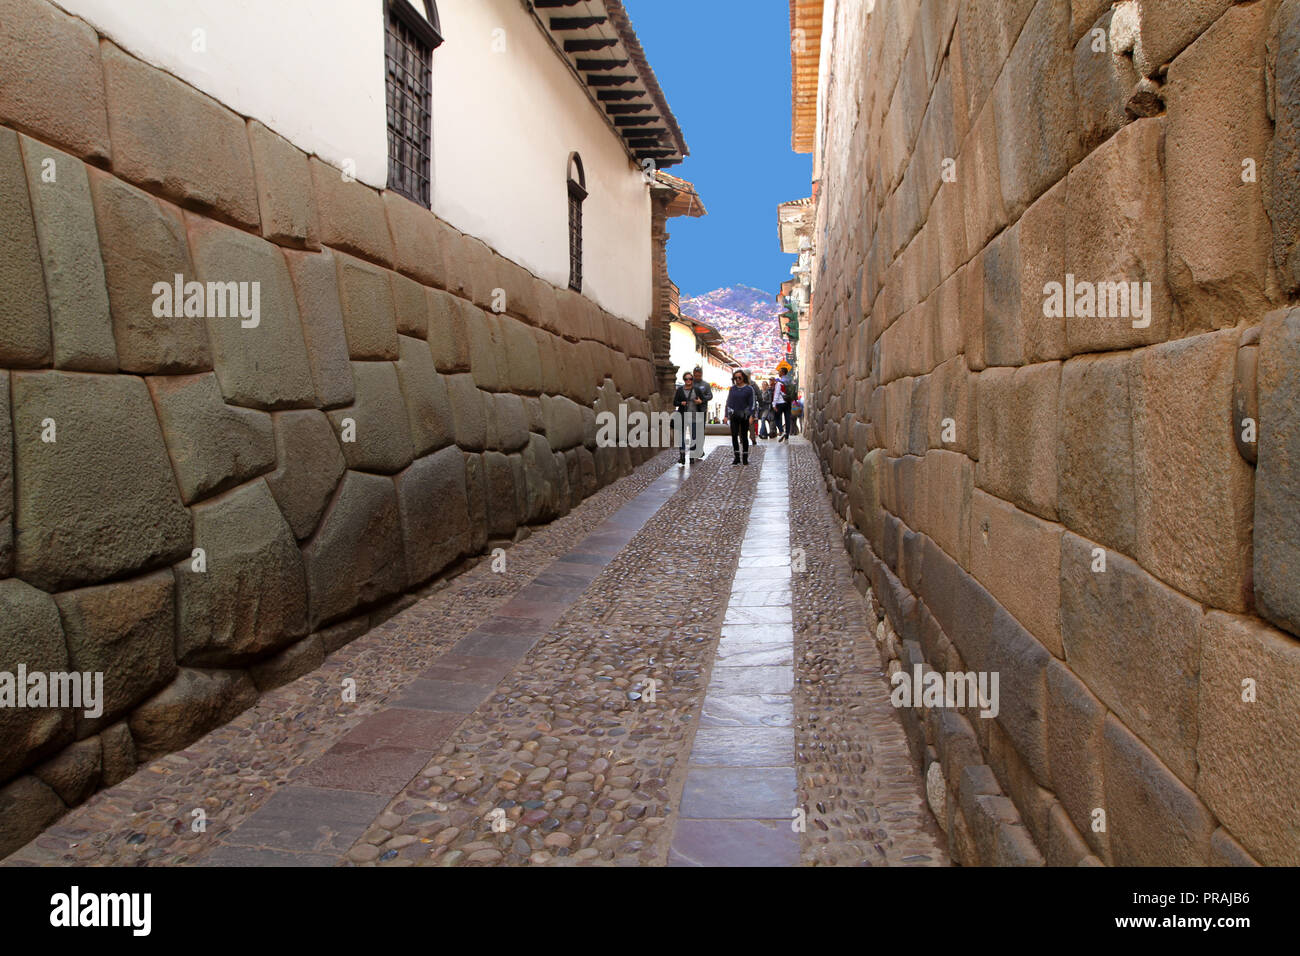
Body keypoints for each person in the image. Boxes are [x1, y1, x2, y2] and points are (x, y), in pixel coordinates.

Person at [725, 369, 756, 465]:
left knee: (744, 436)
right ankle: (737, 457)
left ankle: (745, 457)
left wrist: (752, 415)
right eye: (735, 378)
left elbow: (752, 403)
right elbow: (728, 402)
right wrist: (726, 415)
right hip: (734, 415)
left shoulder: (749, 389)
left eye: (739, 377)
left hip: (744, 415)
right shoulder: (732, 389)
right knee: (734, 435)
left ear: (743, 378)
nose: (737, 379)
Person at [673, 371, 705, 465]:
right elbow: (674, 402)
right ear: (684, 380)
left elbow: (703, 400)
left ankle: (692, 456)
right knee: (681, 436)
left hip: (694, 416)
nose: (688, 380)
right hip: (683, 416)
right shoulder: (680, 390)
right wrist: (680, 403)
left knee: (693, 436)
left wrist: (700, 401)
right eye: (686, 379)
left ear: (692, 380)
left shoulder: (697, 390)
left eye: (690, 379)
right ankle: (682, 456)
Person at [773, 370, 792, 442]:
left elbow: (776, 394)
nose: (779, 373)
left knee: (777, 418)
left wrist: (774, 404)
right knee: (787, 419)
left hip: (780, 403)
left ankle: (782, 430)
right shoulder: (790, 381)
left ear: (783, 373)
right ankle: (787, 435)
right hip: (788, 402)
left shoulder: (779, 383)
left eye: (780, 372)